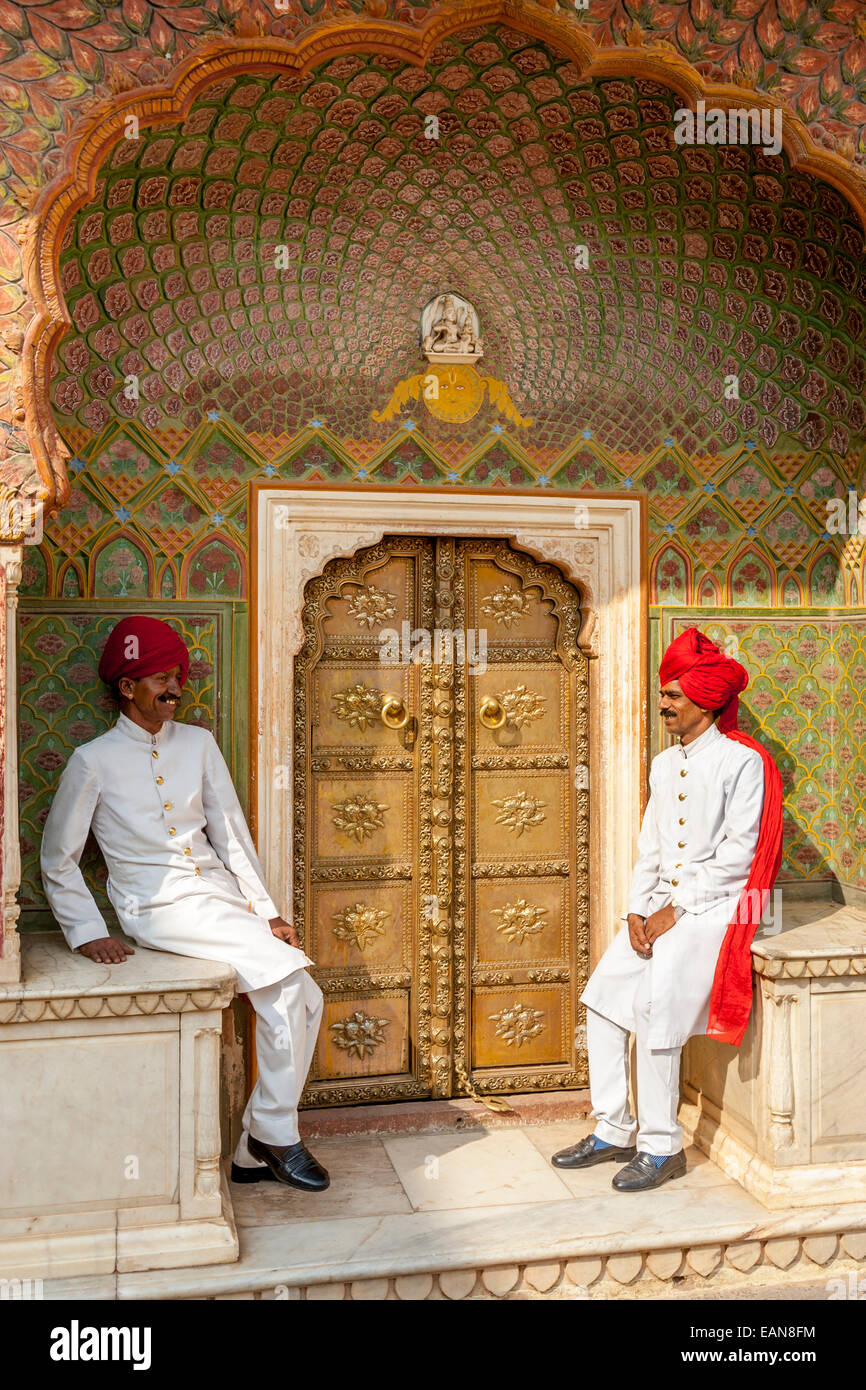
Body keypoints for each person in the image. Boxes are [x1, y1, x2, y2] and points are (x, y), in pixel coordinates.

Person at [40, 614, 329, 1193]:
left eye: (178, 676)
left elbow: (231, 833)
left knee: (306, 995)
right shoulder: (92, 761)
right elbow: (58, 857)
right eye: (160, 679)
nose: (175, 688)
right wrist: (86, 929)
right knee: (295, 987)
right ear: (127, 687)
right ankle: (274, 1132)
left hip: (219, 899)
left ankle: (251, 1151)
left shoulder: (198, 743)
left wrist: (265, 909)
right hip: (159, 908)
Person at [552, 628, 782, 1192]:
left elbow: (737, 856)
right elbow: (651, 845)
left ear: (706, 700)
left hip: (714, 908)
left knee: (655, 1010)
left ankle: (661, 1147)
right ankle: (613, 1128)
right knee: (603, 1000)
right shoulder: (663, 764)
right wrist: (636, 909)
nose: (664, 705)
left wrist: (675, 911)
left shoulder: (740, 763)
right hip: (659, 908)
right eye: (664, 695)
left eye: (674, 696)